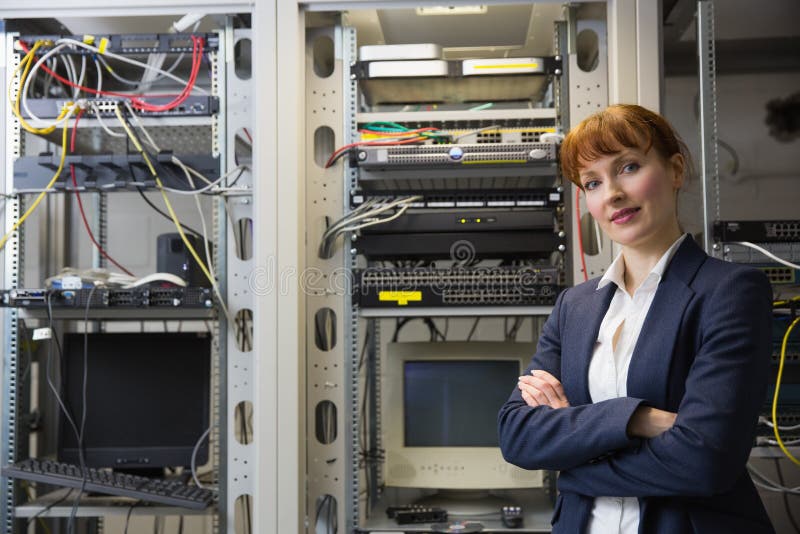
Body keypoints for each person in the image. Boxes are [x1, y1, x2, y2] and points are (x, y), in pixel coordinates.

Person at [497, 104, 775, 533]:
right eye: (592, 182)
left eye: (628, 167)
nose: (611, 194)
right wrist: (640, 419)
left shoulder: (730, 292)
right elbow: (518, 434)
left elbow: (704, 461)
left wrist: (571, 467)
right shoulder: (574, 306)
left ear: (676, 170)